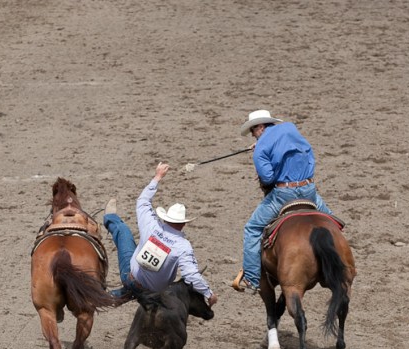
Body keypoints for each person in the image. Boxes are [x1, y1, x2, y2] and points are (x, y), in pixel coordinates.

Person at [232, 109, 334, 294]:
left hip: (284, 195)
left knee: (252, 228)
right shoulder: (291, 129)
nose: (253, 137)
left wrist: (261, 152)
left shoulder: (260, 149)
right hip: (309, 190)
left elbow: (268, 178)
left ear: (260, 127)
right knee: (332, 221)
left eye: (253, 133)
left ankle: (252, 279)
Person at [103, 162, 218, 306]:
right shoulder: (183, 246)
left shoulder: (152, 225)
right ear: (183, 224)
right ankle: (126, 293)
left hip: (130, 278)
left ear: (165, 218)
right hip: (155, 294)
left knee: (123, 231)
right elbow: (191, 276)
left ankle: (110, 218)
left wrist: (157, 177)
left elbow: (142, 202)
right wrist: (209, 293)